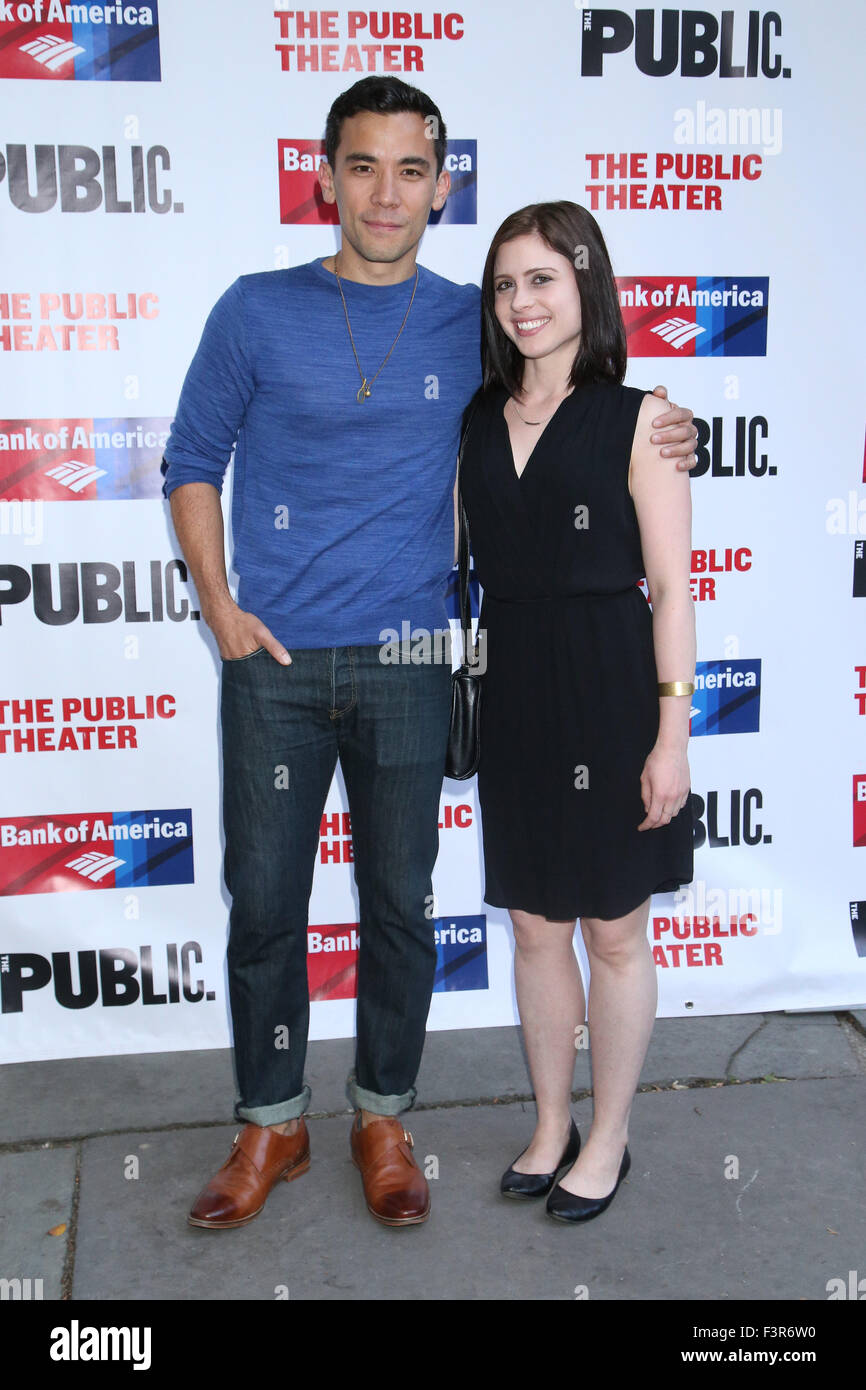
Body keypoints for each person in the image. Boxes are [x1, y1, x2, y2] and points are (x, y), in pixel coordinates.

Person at [161, 78, 698, 1231]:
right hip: (276, 666)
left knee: (399, 905)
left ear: (440, 187)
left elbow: (571, 397)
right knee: (263, 903)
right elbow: (191, 458)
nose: (385, 191)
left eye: (410, 170)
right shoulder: (253, 309)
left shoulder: (472, 317)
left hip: (413, 660)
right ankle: (270, 1122)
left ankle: (382, 1115)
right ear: (323, 176)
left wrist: (666, 422)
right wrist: (217, 606)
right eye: (362, 166)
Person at [457, 201, 696, 1223]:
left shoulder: (642, 416)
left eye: (542, 279)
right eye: (504, 284)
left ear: (584, 286)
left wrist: (670, 732)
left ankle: (608, 1135)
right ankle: (551, 1123)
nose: (521, 302)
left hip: (606, 690)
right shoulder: (473, 418)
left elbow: (675, 590)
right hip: (513, 691)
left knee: (613, 932)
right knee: (532, 926)